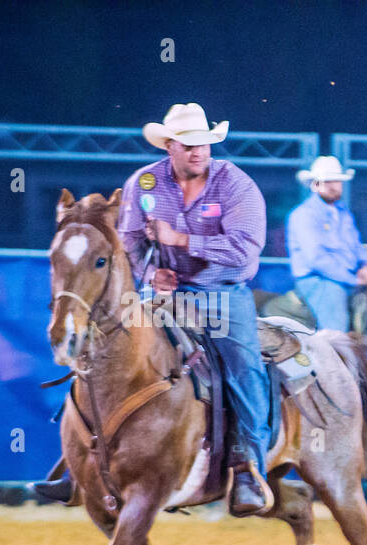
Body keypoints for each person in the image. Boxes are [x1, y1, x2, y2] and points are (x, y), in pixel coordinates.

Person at [34, 102, 273, 515]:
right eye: (187, 144)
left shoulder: (236, 185)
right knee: (102, 352)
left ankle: (249, 468)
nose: (198, 151)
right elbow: (129, 247)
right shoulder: (143, 184)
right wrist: (149, 275)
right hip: (164, 294)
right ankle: (74, 465)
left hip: (223, 294)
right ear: (169, 146)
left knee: (243, 366)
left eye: (204, 143)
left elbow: (244, 251)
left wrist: (180, 241)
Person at [286, 155, 367, 332]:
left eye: (337, 181)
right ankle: (337, 352)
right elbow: (316, 259)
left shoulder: (344, 213)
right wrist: (352, 279)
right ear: (315, 184)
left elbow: (356, 244)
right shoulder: (303, 215)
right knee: (336, 330)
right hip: (319, 280)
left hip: (346, 276)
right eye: (328, 181)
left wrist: (364, 265)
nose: (334, 186)